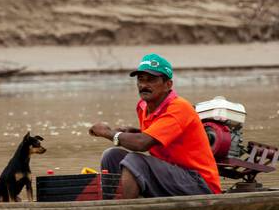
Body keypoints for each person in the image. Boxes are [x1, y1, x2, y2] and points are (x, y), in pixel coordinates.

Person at [88, 52, 221, 199]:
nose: (144, 85)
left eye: (151, 80)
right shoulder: (143, 107)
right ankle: (110, 205)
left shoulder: (179, 108)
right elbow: (156, 136)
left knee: (135, 161)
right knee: (111, 155)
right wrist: (135, 131)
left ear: (168, 85)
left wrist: (106, 132)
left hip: (199, 184)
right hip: (170, 175)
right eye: (141, 79)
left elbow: (142, 143)